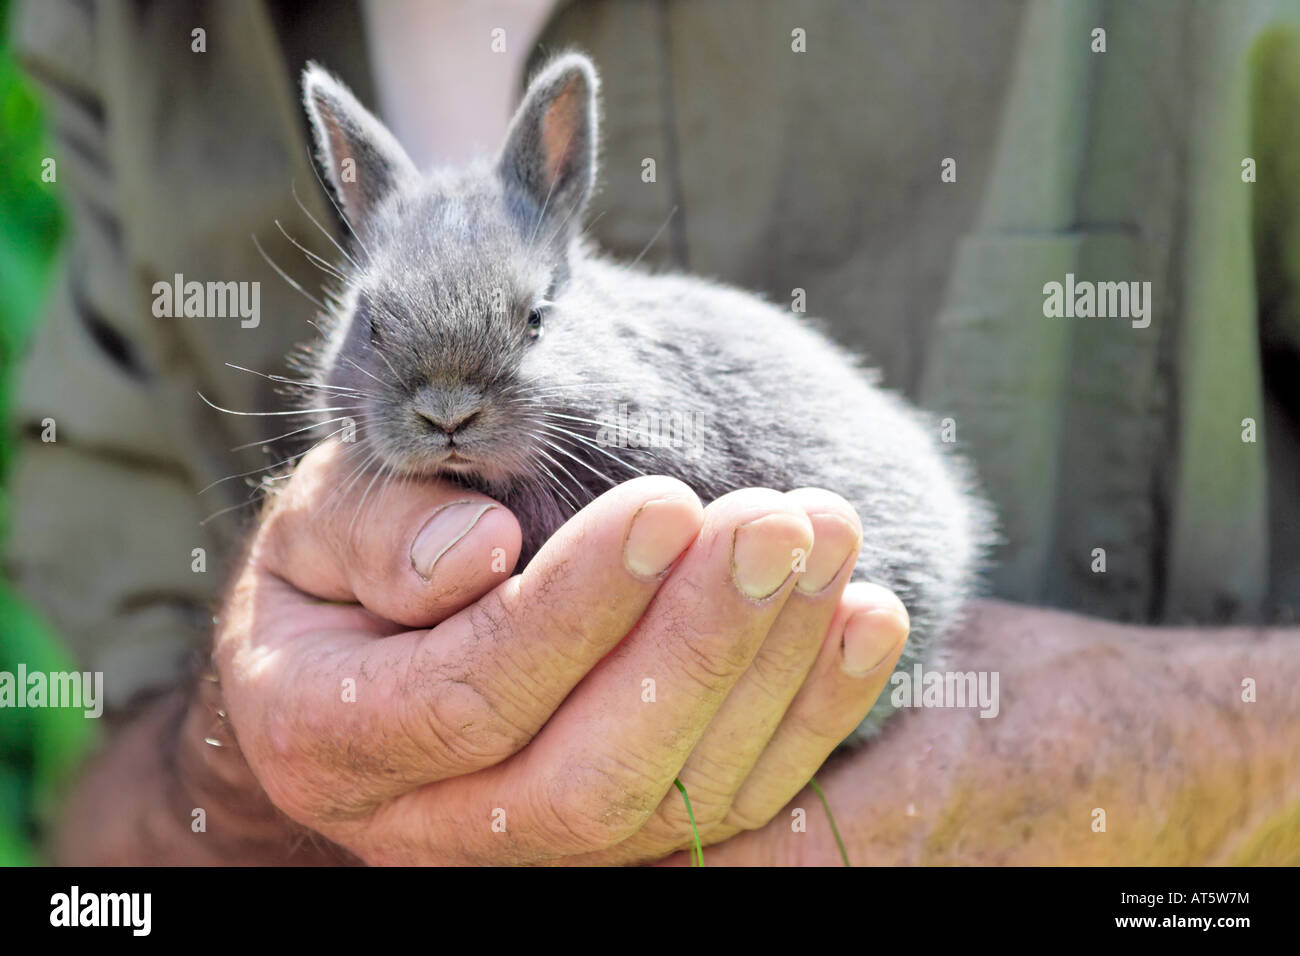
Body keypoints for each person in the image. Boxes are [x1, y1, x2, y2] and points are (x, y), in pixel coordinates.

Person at [9, 0, 1299, 865]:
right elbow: (96, 849)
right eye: (386, 345)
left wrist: (1150, 766)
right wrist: (251, 764)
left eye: (511, 344)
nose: (446, 409)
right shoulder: (120, 31)